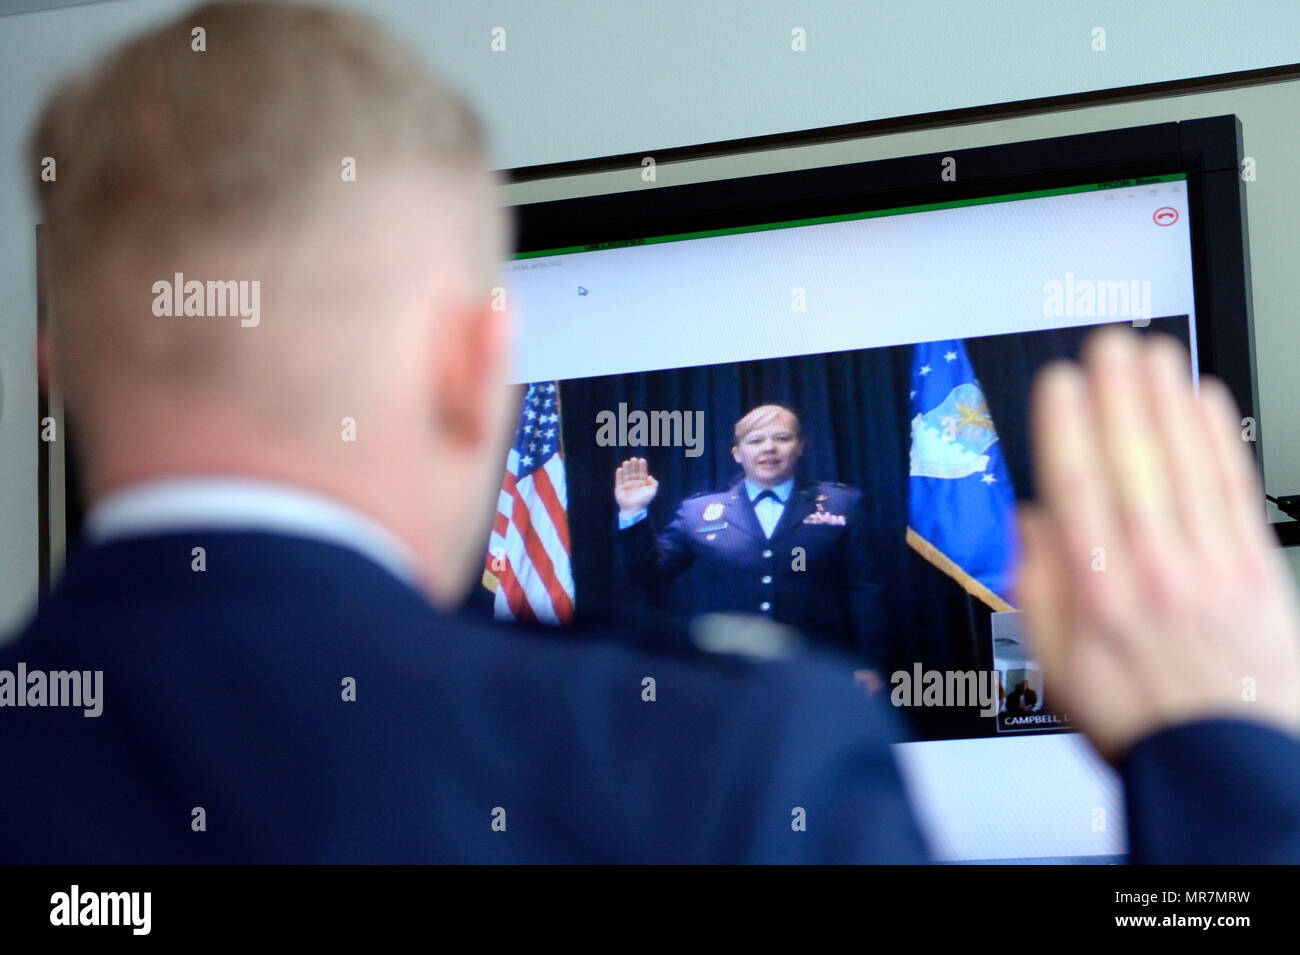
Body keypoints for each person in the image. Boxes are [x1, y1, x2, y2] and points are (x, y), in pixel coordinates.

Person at [2, 0, 1298, 864]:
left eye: (789, 437)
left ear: (54, 374)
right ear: (475, 368)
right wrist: (1223, 751)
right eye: (761, 437)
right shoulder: (728, 766)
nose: (773, 451)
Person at [615, 404, 886, 663]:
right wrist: (633, 512)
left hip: (817, 667)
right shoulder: (698, 512)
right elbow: (647, 572)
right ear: (737, 453)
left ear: (800, 446)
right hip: (730, 671)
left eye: (782, 437)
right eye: (755, 440)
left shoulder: (842, 504)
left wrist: (868, 663)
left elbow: (865, 591)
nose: (769, 448)